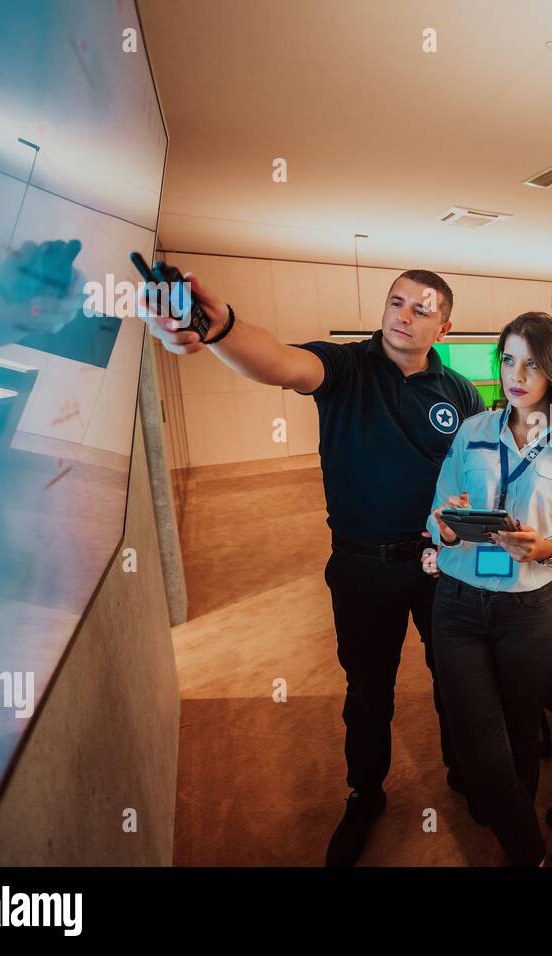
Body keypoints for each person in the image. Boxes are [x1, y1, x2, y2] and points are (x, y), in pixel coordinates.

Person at [135, 267, 483, 867]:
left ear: (443, 326)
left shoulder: (460, 392)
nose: (403, 315)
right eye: (395, 302)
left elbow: (479, 472)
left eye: (420, 310)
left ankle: (462, 771)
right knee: (368, 690)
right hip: (361, 569)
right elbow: (278, 360)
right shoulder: (345, 368)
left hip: (438, 566)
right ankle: (365, 793)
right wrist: (221, 328)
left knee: (453, 676)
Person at [423, 311, 552, 867]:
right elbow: (436, 515)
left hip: (531, 609)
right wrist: (443, 527)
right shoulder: (472, 431)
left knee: (522, 727)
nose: (516, 374)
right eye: (507, 360)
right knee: (478, 737)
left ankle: (511, 825)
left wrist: (547, 548)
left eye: (531, 363)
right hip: (457, 602)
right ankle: (531, 853)